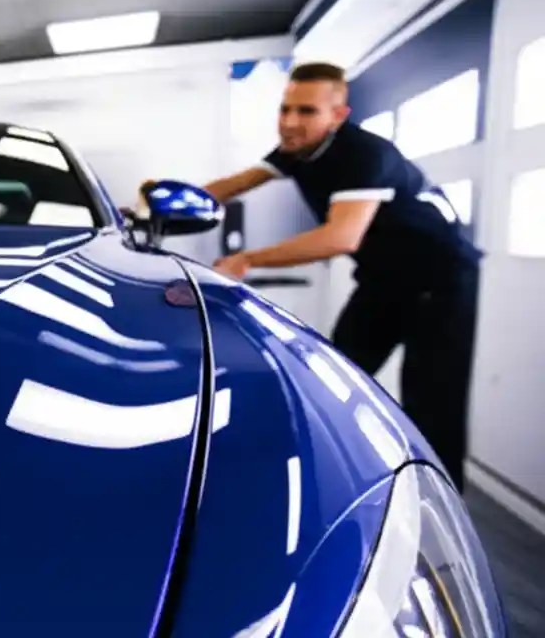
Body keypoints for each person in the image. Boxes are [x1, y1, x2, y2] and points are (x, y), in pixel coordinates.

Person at [202, 62, 482, 491]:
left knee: (433, 408)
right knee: (334, 380)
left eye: (306, 111)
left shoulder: (365, 155)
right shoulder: (295, 149)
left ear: (338, 115)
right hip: (383, 279)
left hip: (442, 281)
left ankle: (441, 524)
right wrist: (154, 202)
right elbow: (229, 185)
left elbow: (341, 237)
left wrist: (248, 260)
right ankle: (332, 481)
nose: (290, 122)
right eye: (285, 109)